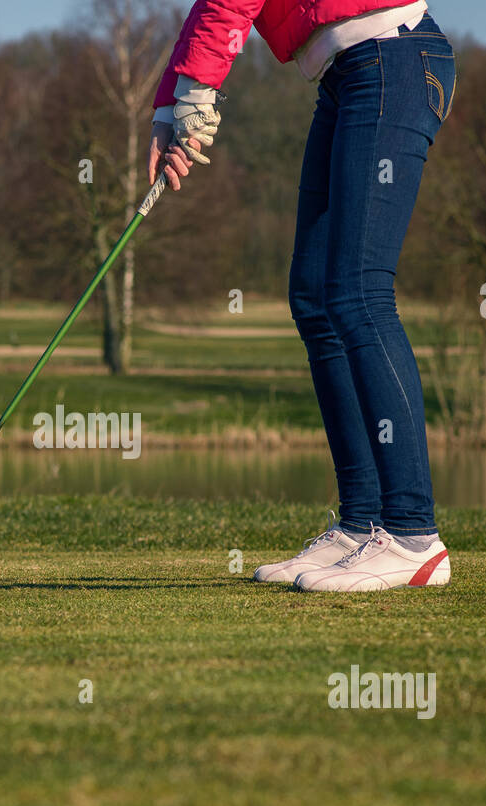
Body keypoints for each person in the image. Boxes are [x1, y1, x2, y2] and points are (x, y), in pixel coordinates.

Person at [148, 0, 455, 593]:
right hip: (349, 74)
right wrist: (170, 106)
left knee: (359, 294)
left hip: (390, 58)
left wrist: (195, 95)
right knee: (315, 298)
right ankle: (363, 523)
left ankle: (414, 538)